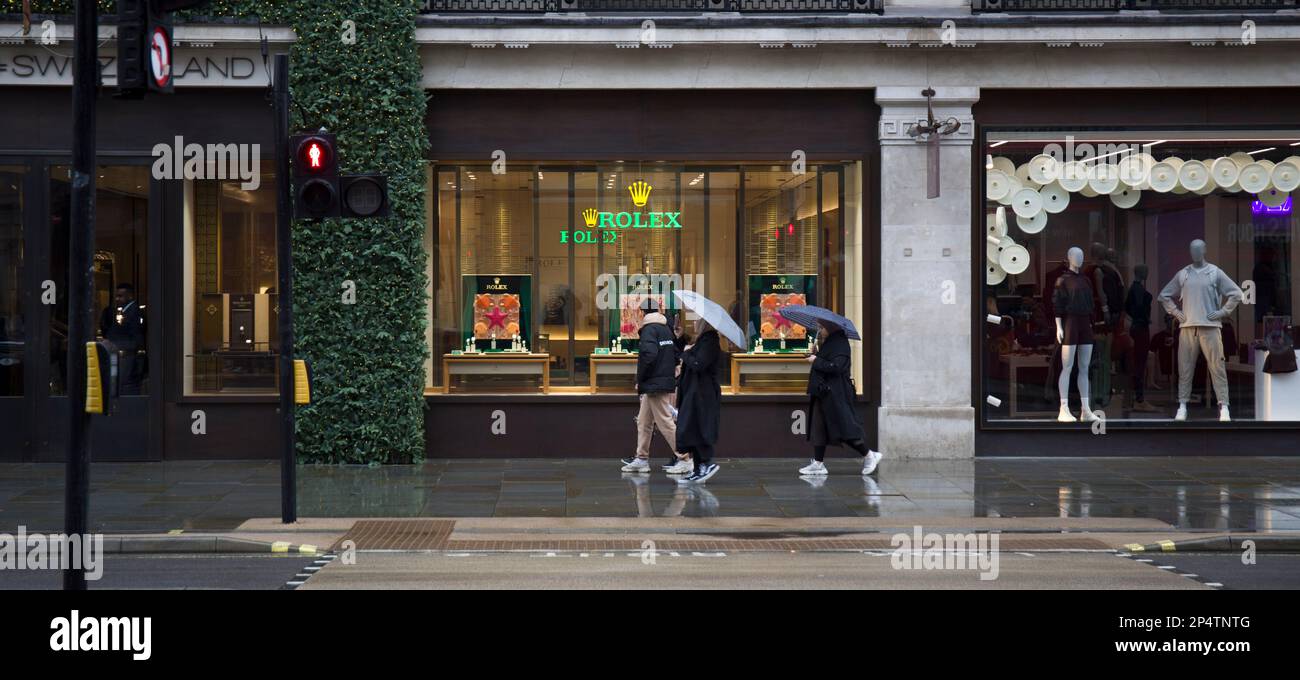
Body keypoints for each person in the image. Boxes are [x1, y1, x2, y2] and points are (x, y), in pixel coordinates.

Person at [798, 320, 882, 476]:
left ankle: (869, 455)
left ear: (830, 328)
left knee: (844, 427)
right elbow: (827, 362)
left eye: (822, 328)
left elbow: (836, 367)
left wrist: (816, 360)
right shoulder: (830, 342)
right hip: (823, 392)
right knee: (819, 427)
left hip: (835, 393)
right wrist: (816, 355)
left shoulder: (840, 344)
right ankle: (818, 463)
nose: (820, 330)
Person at [621, 300, 681, 473]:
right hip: (660, 381)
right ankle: (641, 458)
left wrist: (641, 378)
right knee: (644, 421)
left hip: (654, 384)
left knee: (665, 422)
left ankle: (685, 457)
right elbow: (676, 355)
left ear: (642, 313)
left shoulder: (648, 330)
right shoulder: (665, 329)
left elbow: (649, 355)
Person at [675, 318, 722, 484]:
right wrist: (681, 339)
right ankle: (698, 468)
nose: (694, 323)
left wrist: (687, 352)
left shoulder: (710, 341)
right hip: (694, 392)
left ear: (705, 324)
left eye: (698, 321)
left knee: (698, 427)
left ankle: (707, 463)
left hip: (702, 394)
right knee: (690, 428)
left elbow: (698, 363)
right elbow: (689, 355)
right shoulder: (702, 341)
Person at [99, 282, 145, 395]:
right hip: (122, 354)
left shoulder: (134, 311)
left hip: (127, 355)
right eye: (116, 296)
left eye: (120, 296)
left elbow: (135, 334)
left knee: (124, 386)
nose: (117, 299)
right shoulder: (122, 311)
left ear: (130, 296)